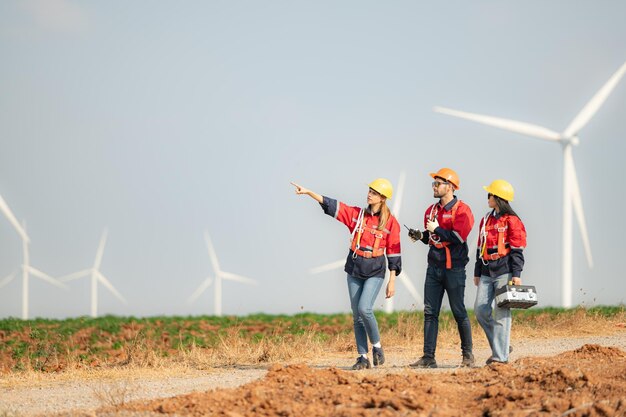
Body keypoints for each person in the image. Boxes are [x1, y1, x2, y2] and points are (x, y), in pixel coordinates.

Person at [291, 179, 402, 370]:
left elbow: (394, 252)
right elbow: (332, 205)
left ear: (383, 198)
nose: (369, 194)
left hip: (375, 270)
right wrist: (309, 192)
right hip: (354, 268)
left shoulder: (391, 223)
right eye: (369, 191)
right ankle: (362, 357)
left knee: (364, 309)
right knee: (356, 316)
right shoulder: (357, 215)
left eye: (374, 193)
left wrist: (392, 281)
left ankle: (377, 346)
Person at [408, 168, 475, 368]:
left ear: (451, 187)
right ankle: (428, 357)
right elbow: (433, 238)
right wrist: (421, 236)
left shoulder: (463, 210)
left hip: (454, 268)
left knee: (458, 311)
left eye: (438, 184)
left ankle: (467, 355)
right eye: (433, 184)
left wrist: (436, 228)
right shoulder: (431, 210)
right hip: (433, 267)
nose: (434, 187)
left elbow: (458, 238)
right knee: (430, 312)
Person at [473, 179, 527, 365]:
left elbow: (517, 250)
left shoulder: (512, 221)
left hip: (504, 271)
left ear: (499, 198)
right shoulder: (485, 220)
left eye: (490, 194)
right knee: (480, 310)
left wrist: (516, 275)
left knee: (502, 313)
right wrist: (477, 271)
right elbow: (480, 247)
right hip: (487, 271)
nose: (487, 197)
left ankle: (500, 357)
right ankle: (502, 345)